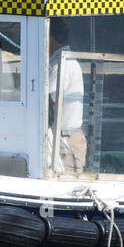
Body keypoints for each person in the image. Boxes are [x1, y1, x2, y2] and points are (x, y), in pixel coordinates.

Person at [47, 21, 86, 173]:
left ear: (50, 38)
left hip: (65, 140)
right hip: (67, 137)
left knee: (66, 187)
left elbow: (47, 101)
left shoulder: (60, 65)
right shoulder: (67, 61)